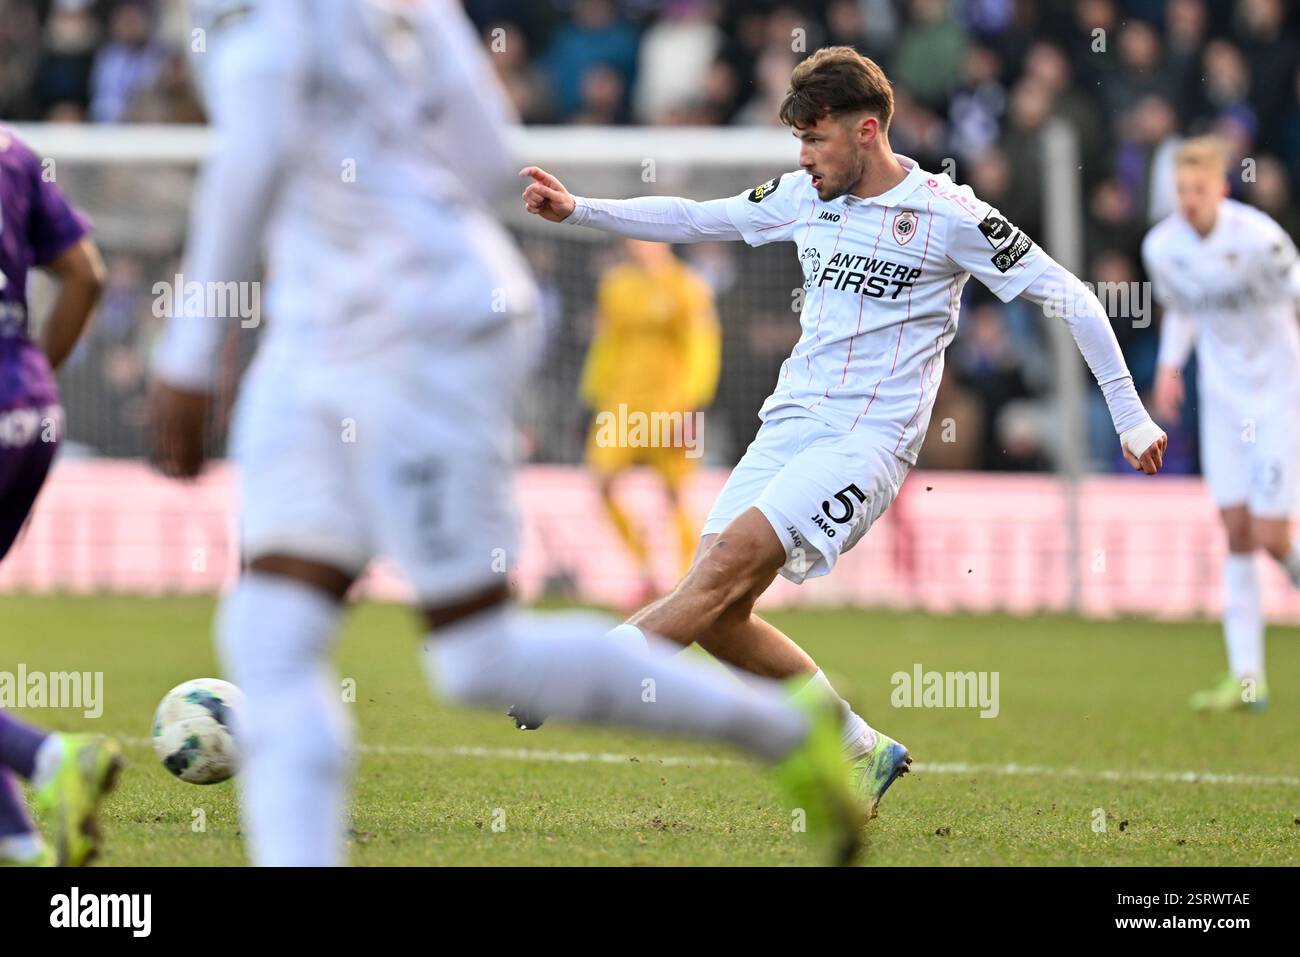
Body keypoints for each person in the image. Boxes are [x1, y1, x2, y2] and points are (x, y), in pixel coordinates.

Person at [149, 0, 861, 867]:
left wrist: (187, 356)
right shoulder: (416, 12)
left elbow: (247, 158)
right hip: (352, 330)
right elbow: (490, 161)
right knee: (272, 632)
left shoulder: (259, 17)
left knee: (474, 658)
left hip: (413, 332)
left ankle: (778, 730)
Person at [521, 46, 1167, 805]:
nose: (804, 156)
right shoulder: (804, 194)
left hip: (869, 442)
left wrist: (1129, 414)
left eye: (814, 139)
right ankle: (862, 748)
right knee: (720, 610)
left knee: (725, 570)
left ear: (867, 130)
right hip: (789, 422)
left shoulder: (946, 213)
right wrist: (583, 209)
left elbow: (1071, 296)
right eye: (797, 140)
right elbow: (701, 217)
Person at [1144, 136, 1300, 712]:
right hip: (1221, 401)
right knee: (1235, 531)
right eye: (1181, 191)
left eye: (1199, 190)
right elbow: (1182, 307)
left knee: (1271, 537)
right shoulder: (1162, 247)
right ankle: (1247, 679)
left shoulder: (1260, 238)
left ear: (1222, 189)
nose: (1188, 201)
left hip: (1278, 397)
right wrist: (1168, 366)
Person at [0, 125, 117, 867]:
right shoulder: (11, 150)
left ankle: (48, 759)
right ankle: (16, 840)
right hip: (30, 411)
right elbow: (87, 274)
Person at [581, 239, 720, 600]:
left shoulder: (687, 286)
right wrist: (593, 393)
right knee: (602, 483)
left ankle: (686, 580)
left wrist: (692, 402)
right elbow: (607, 342)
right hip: (622, 405)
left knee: (674, 493)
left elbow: (702, 348)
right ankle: (645, 568)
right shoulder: (615, 286)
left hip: (671, 404)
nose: (638, 244)